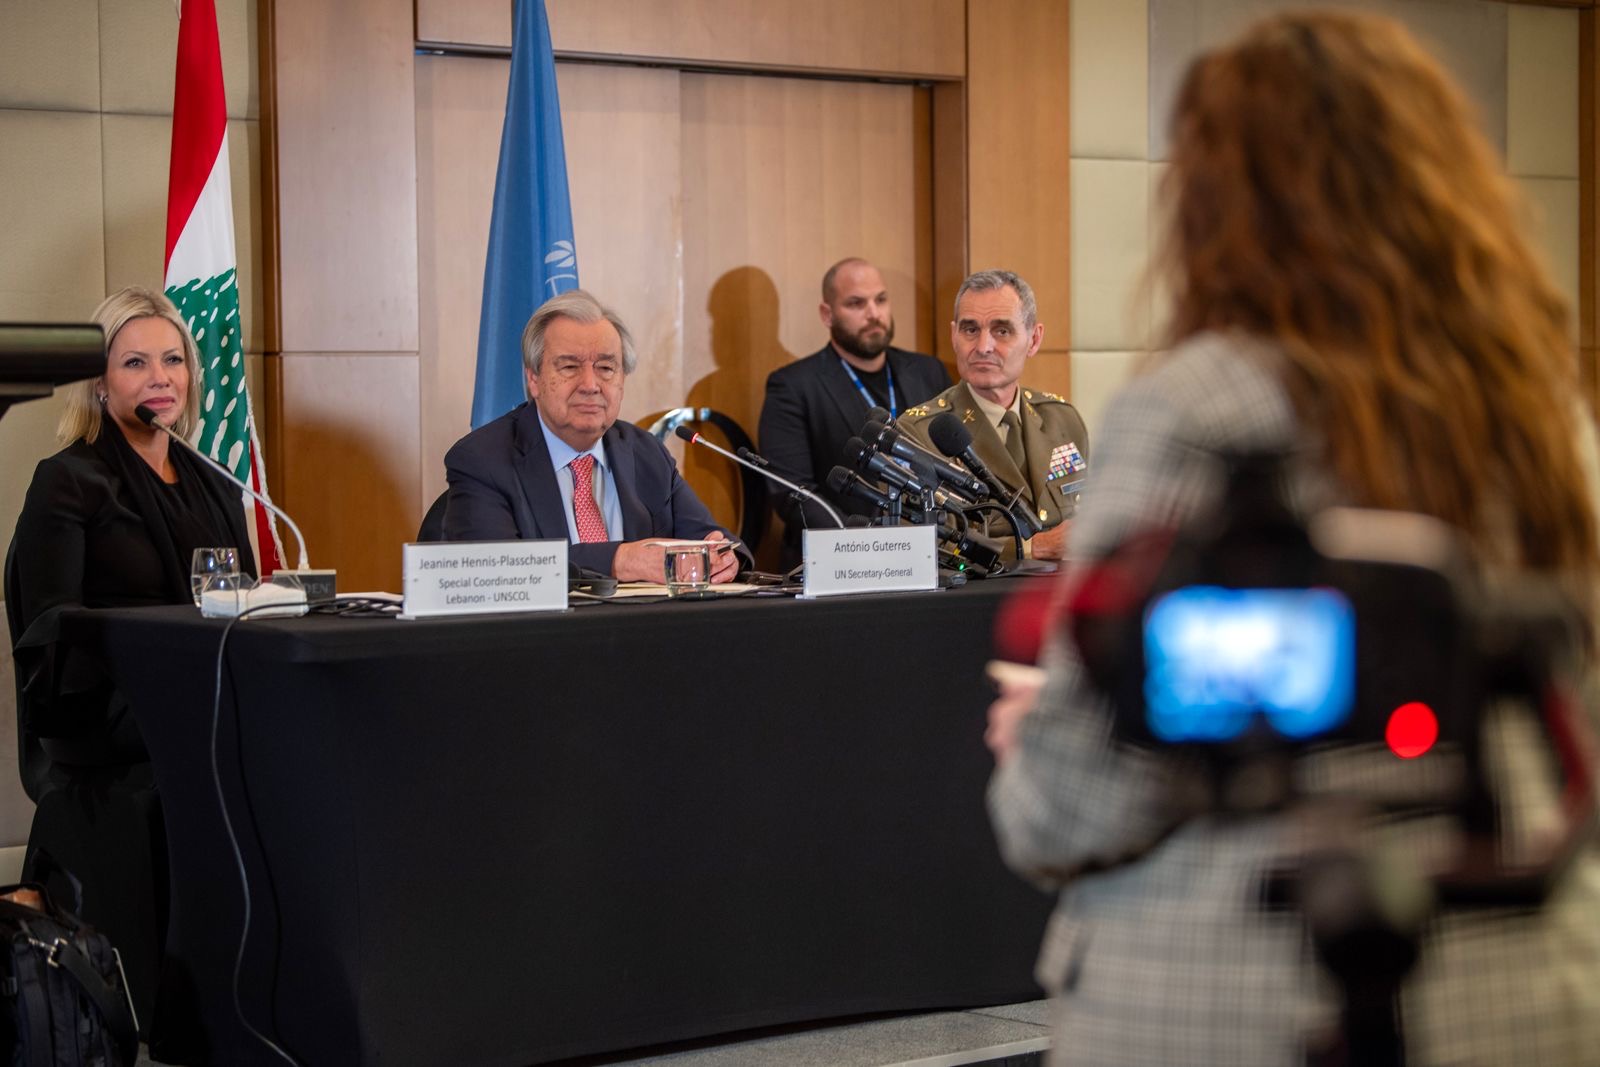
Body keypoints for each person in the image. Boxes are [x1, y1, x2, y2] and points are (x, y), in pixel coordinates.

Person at [986, 11, 1600, 1066]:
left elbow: (1072, 805)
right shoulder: (1545, 406)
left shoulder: (1194, 406)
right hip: (1526, 984)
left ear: (1216, 201)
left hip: (1230, 992)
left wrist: (1040, 739)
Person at [7, 285, 258, 1026]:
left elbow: (239, 596)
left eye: (174, 360)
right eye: (136, 362)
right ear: (99, 380)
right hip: (108, 716)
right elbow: (52, 624)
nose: (161, 377)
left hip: (208, 694)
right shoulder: (70, 479)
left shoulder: (217, 482)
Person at [444, 289, 748, 581]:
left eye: (605, 367)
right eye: (569, 366)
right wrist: (619, 560)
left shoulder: (645, 453)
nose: (590, 384)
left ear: (622, 380)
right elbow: (492, 569)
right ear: (534, 378)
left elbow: (711, 539)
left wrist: (724, 558)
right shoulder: (483, 459)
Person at [758, 258, 950, 568]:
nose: (874, 314)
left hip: (933, 553)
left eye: (881, 300)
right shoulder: (793, 387)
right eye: (856, 303)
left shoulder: (928, 372)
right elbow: (792, 492)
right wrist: (865, 544)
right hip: (841, 561)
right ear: (827, 314)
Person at [898, 270, 1087, 561]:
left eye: (1002, 331)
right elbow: (916, 551)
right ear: (954, 336)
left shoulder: (1063, 419)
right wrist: (1030, 549)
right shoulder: (920, 433)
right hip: (974, 604)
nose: (983, 346)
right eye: (970, 330)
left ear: (1034, 340)